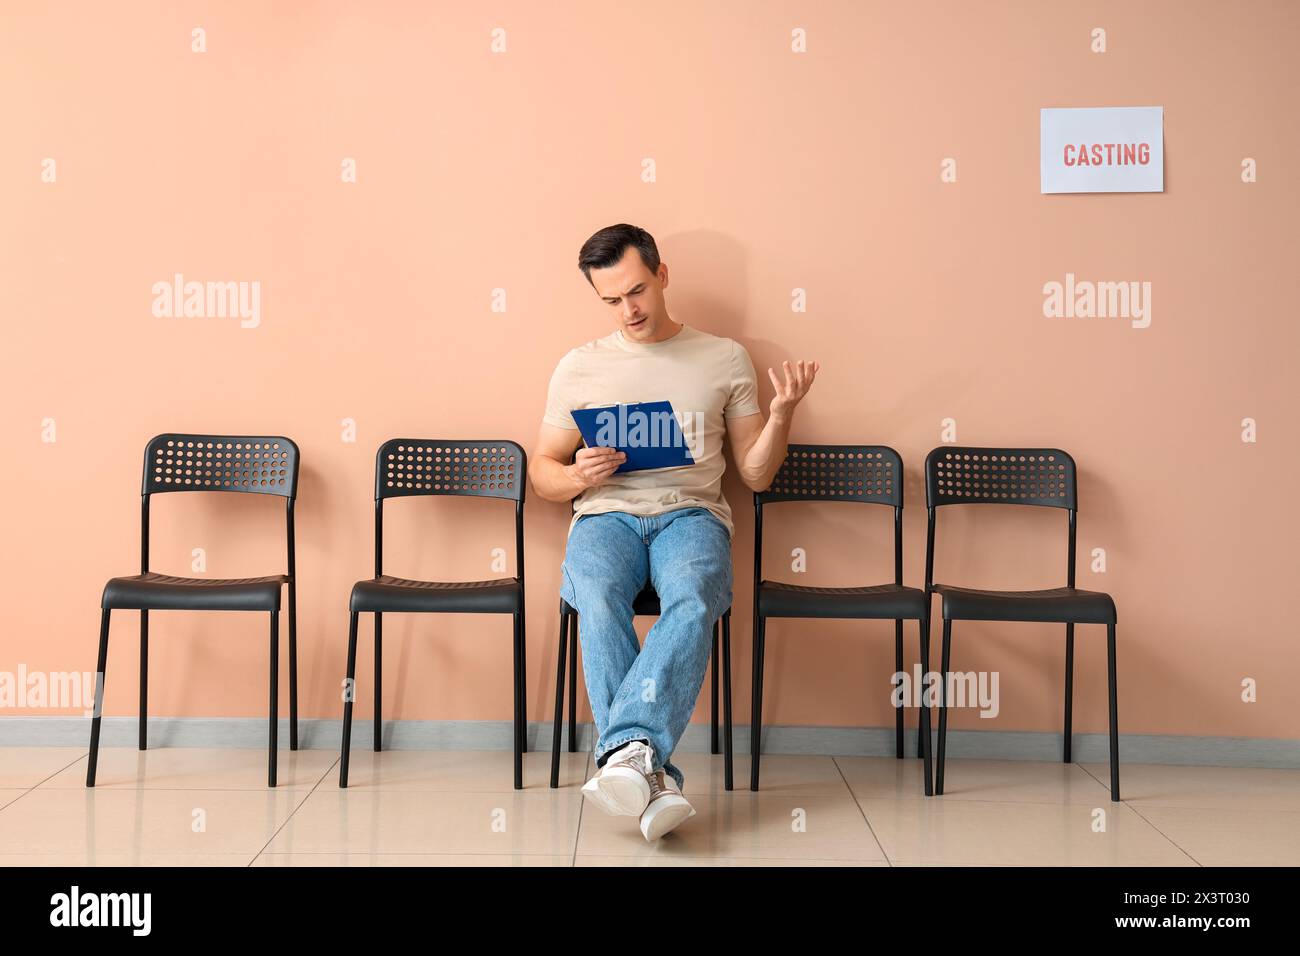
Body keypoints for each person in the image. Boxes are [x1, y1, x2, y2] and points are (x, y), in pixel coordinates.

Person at [528, 223, 819, 840]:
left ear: (661, 276)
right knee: (595, 590)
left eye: (636, 291)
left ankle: (627, 757)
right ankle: (648, 771)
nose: (627, 310)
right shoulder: (580, 366)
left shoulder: (724, 357)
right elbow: (542, 472)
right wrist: (576, 473)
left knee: (695, 592)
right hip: (605, 515)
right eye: (611, 299)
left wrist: (782, 415)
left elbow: (756, 474)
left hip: (692, 515)